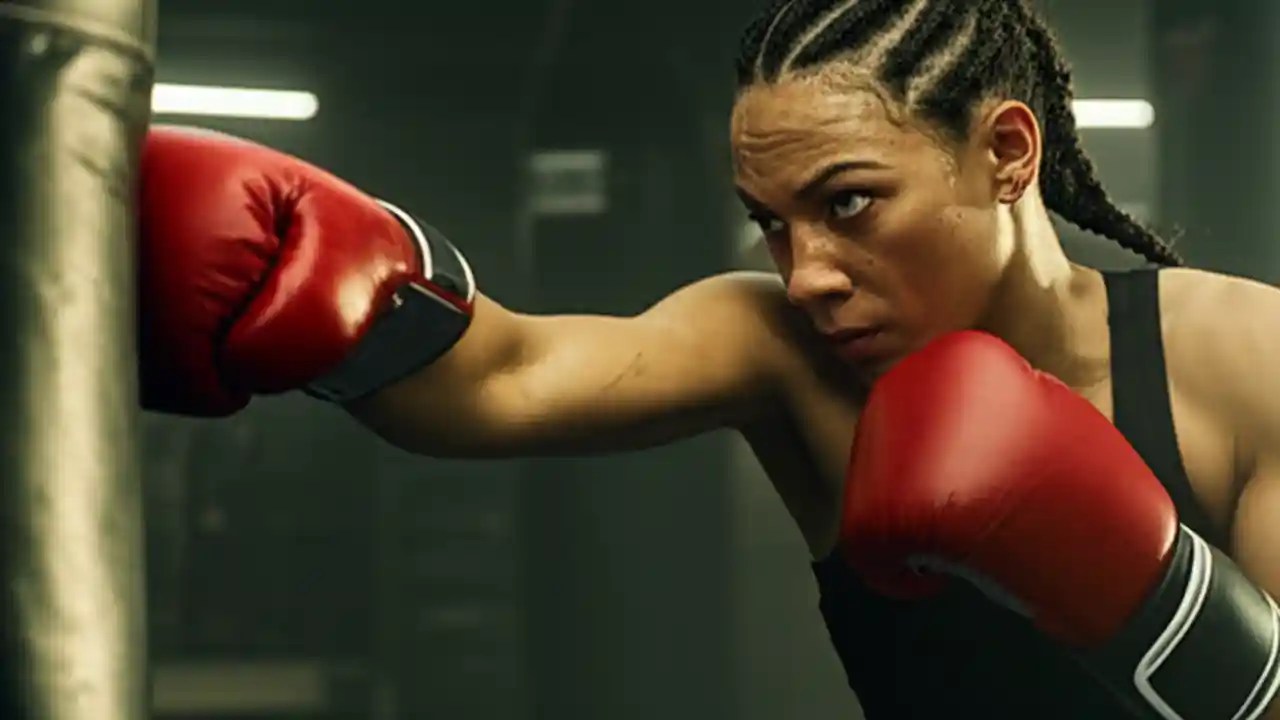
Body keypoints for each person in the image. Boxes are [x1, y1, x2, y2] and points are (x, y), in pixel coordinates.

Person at [137, 0, 1280, 717]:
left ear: (1005, 153)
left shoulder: (1238, 360)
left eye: (848, 203)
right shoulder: (782, 352)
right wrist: (333, 288)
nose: (806, 273)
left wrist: (1149, 597)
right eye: (771, 221)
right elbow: (499, 377)